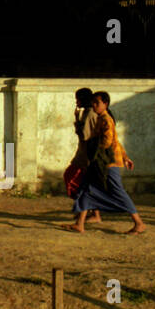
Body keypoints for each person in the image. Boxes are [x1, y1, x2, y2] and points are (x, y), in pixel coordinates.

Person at [64, 91, 146, 235]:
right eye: (93, 102)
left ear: (105, 104)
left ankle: (139, 223)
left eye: (97, 103)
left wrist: (97, 154)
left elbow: (108, 142)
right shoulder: (101, 118)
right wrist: (125, 157)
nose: (94, 105)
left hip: (108, 163)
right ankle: (80, 224)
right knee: (87, 189)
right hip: (101, 161)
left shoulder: (106, 120)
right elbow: (115, 141)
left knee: (117, 192)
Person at [62, 87, 101, 224]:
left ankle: (85, 211)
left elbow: (85, 136)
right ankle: (91, 212)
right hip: (83, 153)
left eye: (78, 99)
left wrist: (77, 123)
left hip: (86, 155)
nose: (76, 102)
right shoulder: (87, 112)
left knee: (73, 178)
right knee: (84, 183)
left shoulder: (90, 114)